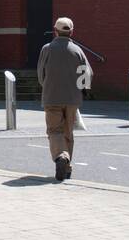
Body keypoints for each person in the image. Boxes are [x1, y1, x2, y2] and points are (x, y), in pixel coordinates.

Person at [37, 15, 90, 181]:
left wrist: (46, 86)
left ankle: (61, 156)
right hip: (73, 99)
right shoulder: (78, 50)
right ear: (72, 32)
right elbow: (87, 73)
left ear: (55, 31)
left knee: (54, 130)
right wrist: (83, 90)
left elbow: (41, 74)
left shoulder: (47, 48)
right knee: (68, 132)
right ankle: (67, 168)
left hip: (52, 97)